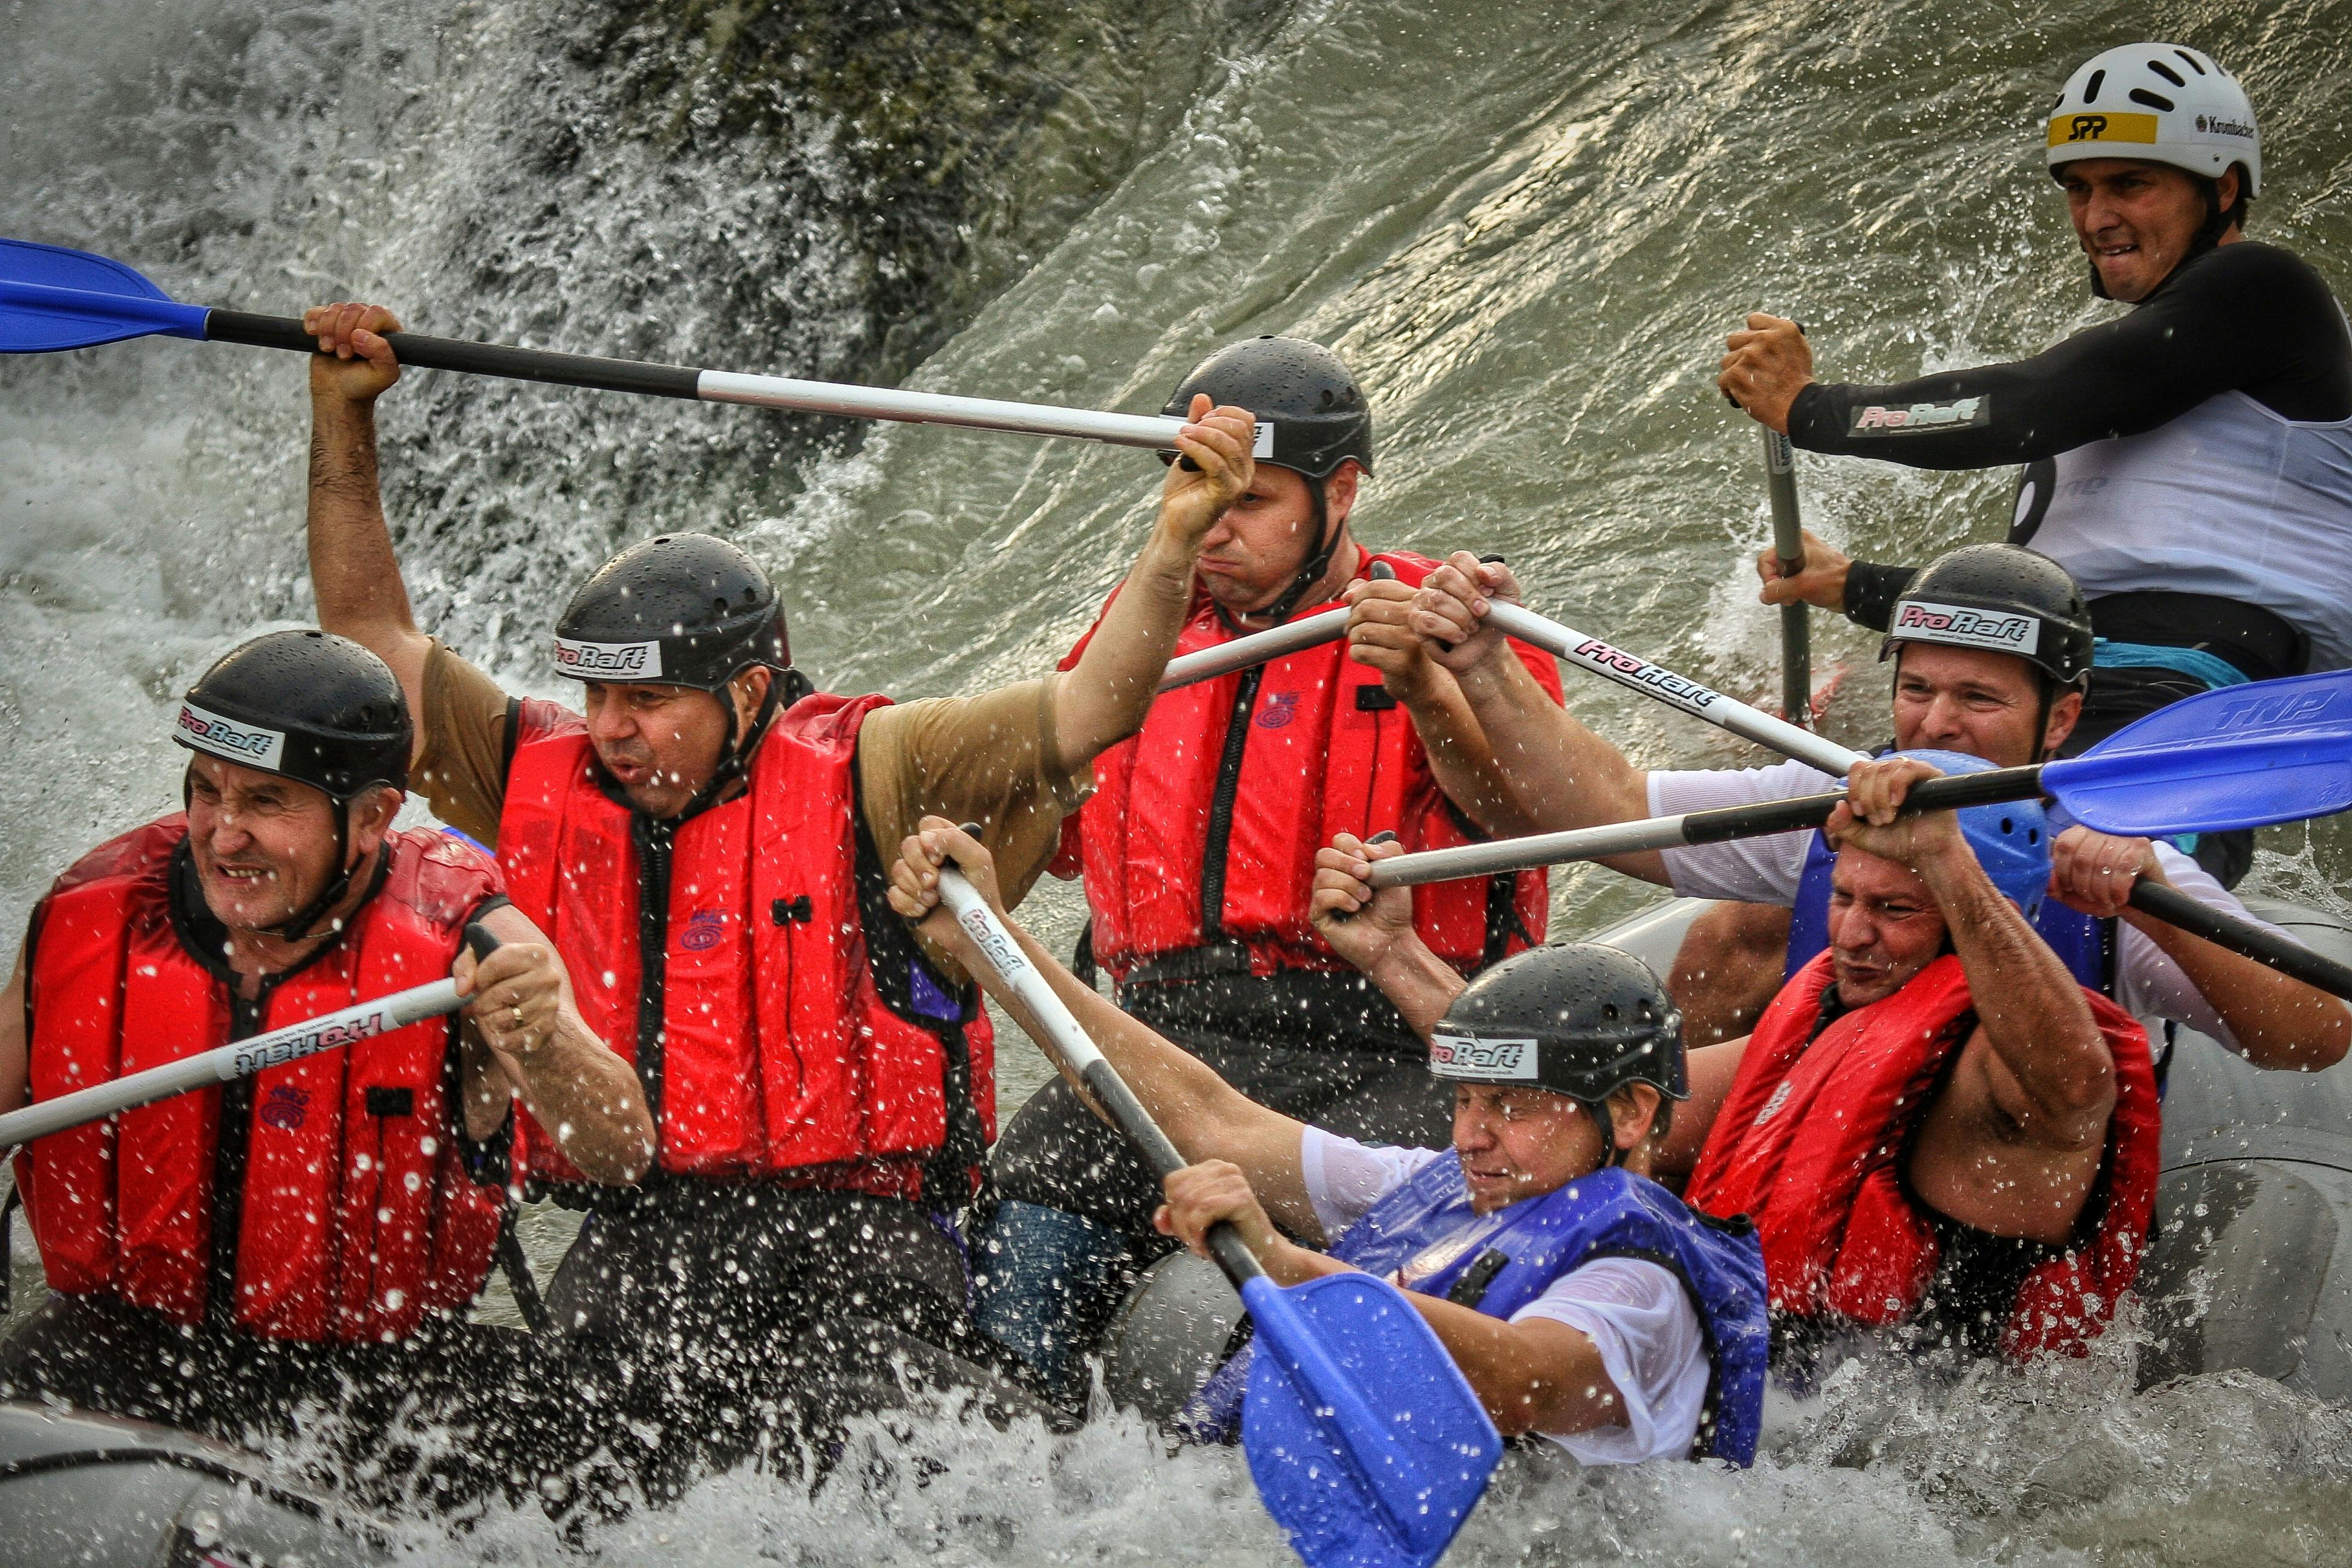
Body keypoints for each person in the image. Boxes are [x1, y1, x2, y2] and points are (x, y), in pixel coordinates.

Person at [298, 299, 1254, 1491]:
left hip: (861, 1244)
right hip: (644, 1235)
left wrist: (1173, 543)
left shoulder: (877, 766)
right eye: (597, 698)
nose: (612, 731)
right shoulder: (543, 770)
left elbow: (1095, 707)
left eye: (647, 704)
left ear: (748, 692)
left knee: (855, 1461)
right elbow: (368, 636)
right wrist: (344, 422)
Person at [979, 336, 1565, 1400]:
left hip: (1382, 1045)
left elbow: (1534, 811)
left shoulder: (1452, 619)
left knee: (1355, 1267)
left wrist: (1436, 692)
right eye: (1200, 492)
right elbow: (1037, 828)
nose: (1217, 529)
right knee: (1028, 1204)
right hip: (1172, 1033)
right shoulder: (1133, 644)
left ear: (1341, 493)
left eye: (1253, 501)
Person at [0, 632, 651, 1513]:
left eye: (267, 802)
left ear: (376, 816)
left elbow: (621, 1152)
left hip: (378, 1384)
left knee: (605, 1454)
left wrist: (544, 1042)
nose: (224, 834)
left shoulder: (471, 938)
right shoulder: (89, 915)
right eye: (205, 792)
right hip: (116, 1350)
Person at [890, 820, 1768, 1464]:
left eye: (1513, 1105)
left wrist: (1281, 1259)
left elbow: (1520, 1382)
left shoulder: (1639, 1286)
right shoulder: (1438, 1186)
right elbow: (1211, 1115)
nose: (1471, 1136)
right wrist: (989, 943)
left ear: (1627, 1113)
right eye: (1464, 1101)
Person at [1719, 42, 2352, 890]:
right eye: (2081, 188)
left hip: (2188, 705)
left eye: (2130, 184)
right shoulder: (2122, 386)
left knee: (1994, 882)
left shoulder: (2265, 293)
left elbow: (2020, 409)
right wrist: (1855, 586)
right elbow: (2065, 601)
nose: (2096, 217)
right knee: (1758, 921)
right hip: (2054, 690)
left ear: (2223, 189)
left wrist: (1811, 408)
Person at [1313, 757, 2162, 1365]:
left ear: (1981, 906)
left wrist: (1946, 858)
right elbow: (1602, 1111)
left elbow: (2077, 1084)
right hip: (1792, 1402)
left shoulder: (2015, 1081)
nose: (1854, 933)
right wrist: (1396, 956)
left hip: (1939, 1445)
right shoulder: (1837, 1020)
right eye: (1843, 898)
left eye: (1896, 908)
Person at [1394, 542, 2351, 1068]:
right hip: (1832, 1138)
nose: (1937, 724)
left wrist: (2143, 886)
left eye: (1979, 699)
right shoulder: (1840, 791)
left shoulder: (2105, 853)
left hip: (1998, 1193)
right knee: (1739, 932)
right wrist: (1483, 668)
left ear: (2059, 720)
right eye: (1918, 688)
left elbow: (2312, 1035)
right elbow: (1604, 803)